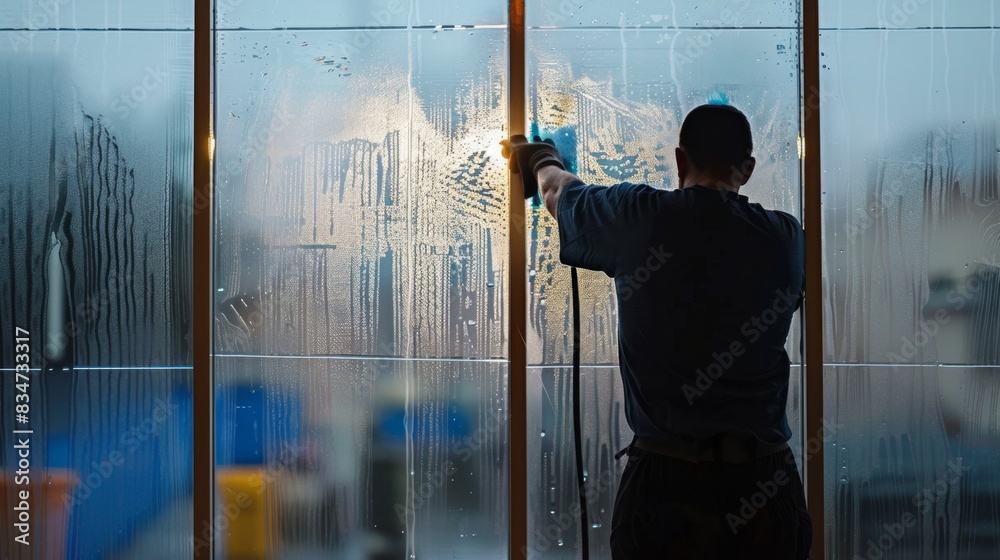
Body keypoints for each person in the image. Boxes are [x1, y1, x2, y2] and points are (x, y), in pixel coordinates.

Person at [501, 104, 812, 559]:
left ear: (680, 161)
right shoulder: (786, 237)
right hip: (765, 485)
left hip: (668, 485)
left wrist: (542, 157)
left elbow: (559, 193)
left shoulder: (641, 218)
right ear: (747, 169)